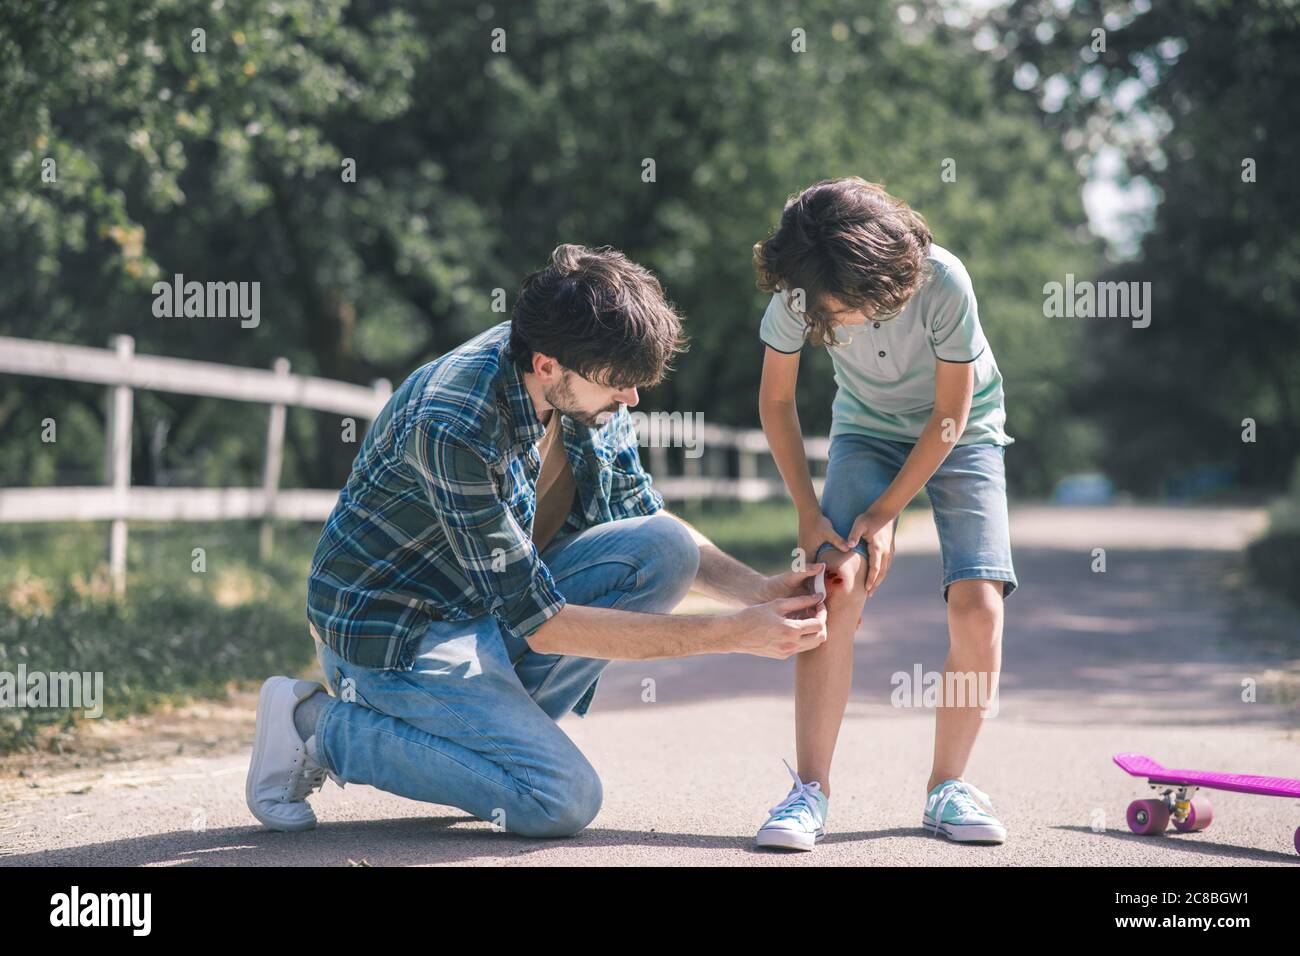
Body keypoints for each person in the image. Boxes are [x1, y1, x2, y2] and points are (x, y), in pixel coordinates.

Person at [246, 243, 828, 838]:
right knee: (559, 799)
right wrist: (730, 635)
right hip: (393, 633)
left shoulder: (587, 367)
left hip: (483, 610)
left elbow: (644, 512)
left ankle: (475, 735)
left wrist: (755, 592)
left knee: (666, 548)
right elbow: (541, 623)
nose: (630, 399)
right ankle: (317, 725)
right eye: (619, 386)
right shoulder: (453, 423)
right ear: (548, 366)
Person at [750, 177, 1017, 850]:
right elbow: (777, 404)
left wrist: (888, 510)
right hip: (866, 430)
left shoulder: (944, 282)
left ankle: (948, 788)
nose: (838, 322)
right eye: (828, 313)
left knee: (978, 605)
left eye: (849, 309)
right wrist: (811, 516)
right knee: (832, 583)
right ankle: (808, 789)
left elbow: (950, 415)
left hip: (964, 432)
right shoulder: (799, 293)